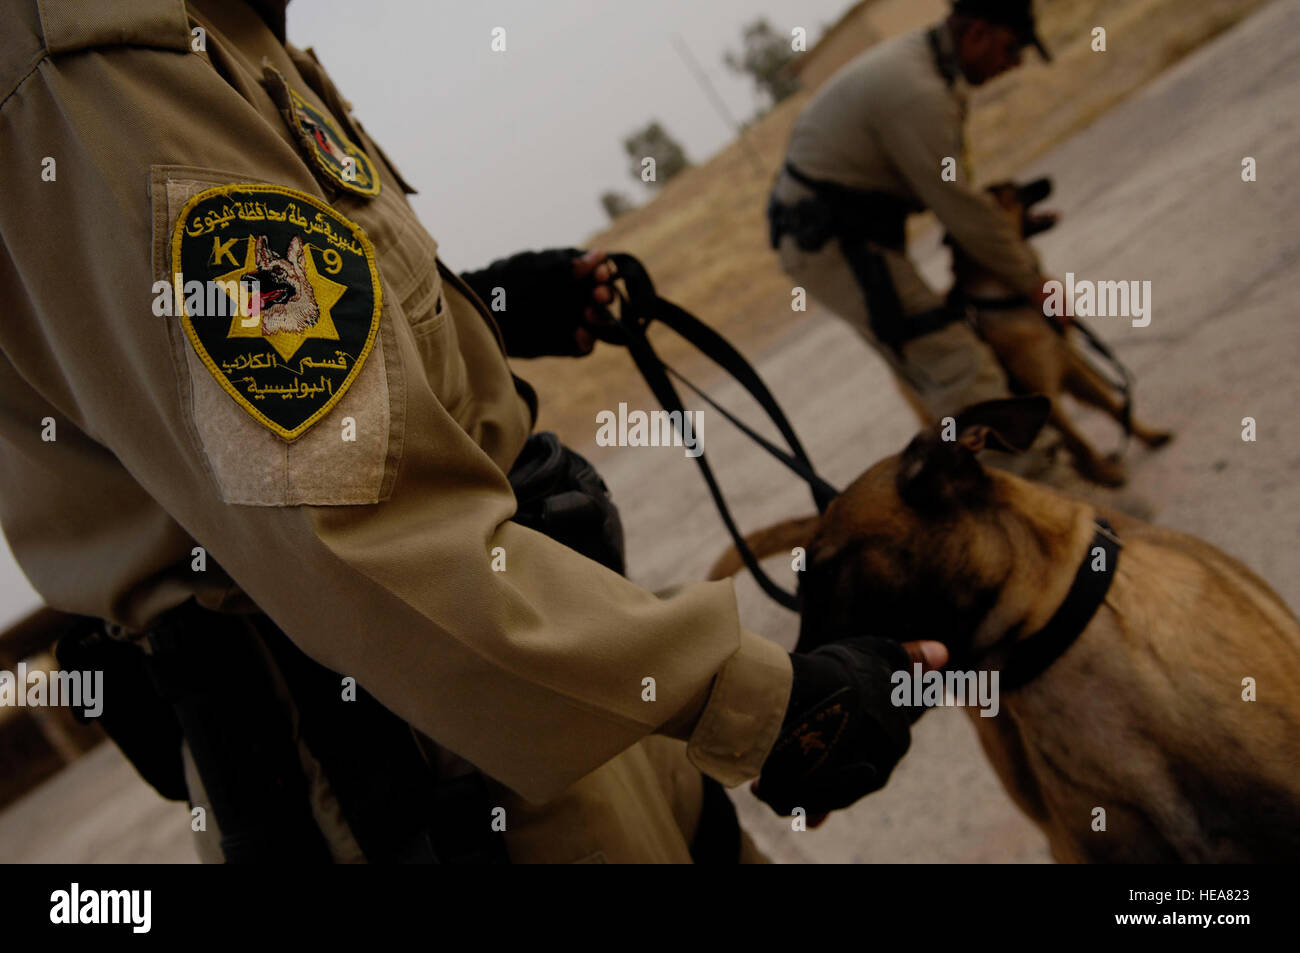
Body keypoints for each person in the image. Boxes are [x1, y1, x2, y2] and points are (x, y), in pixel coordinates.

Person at [0, 0, 946, 863]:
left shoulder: (217, 27)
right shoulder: (99, 64)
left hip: (548, 678)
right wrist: (765, 707)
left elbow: (284, 359)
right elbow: (359, 532)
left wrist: (487, 310)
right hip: (416, 747)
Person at [769, 0, 1064, 443]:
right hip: (834, 245)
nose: (1013, 64)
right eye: (1011, 48)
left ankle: (981, 494)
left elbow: (955, 193)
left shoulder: (935, 72)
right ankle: (1035, 493)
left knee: (936, 367)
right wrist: (1033, 281)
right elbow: (958, 205)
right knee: (959, 366)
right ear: (977, 33)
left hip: (850, 239)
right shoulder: (918, 92)